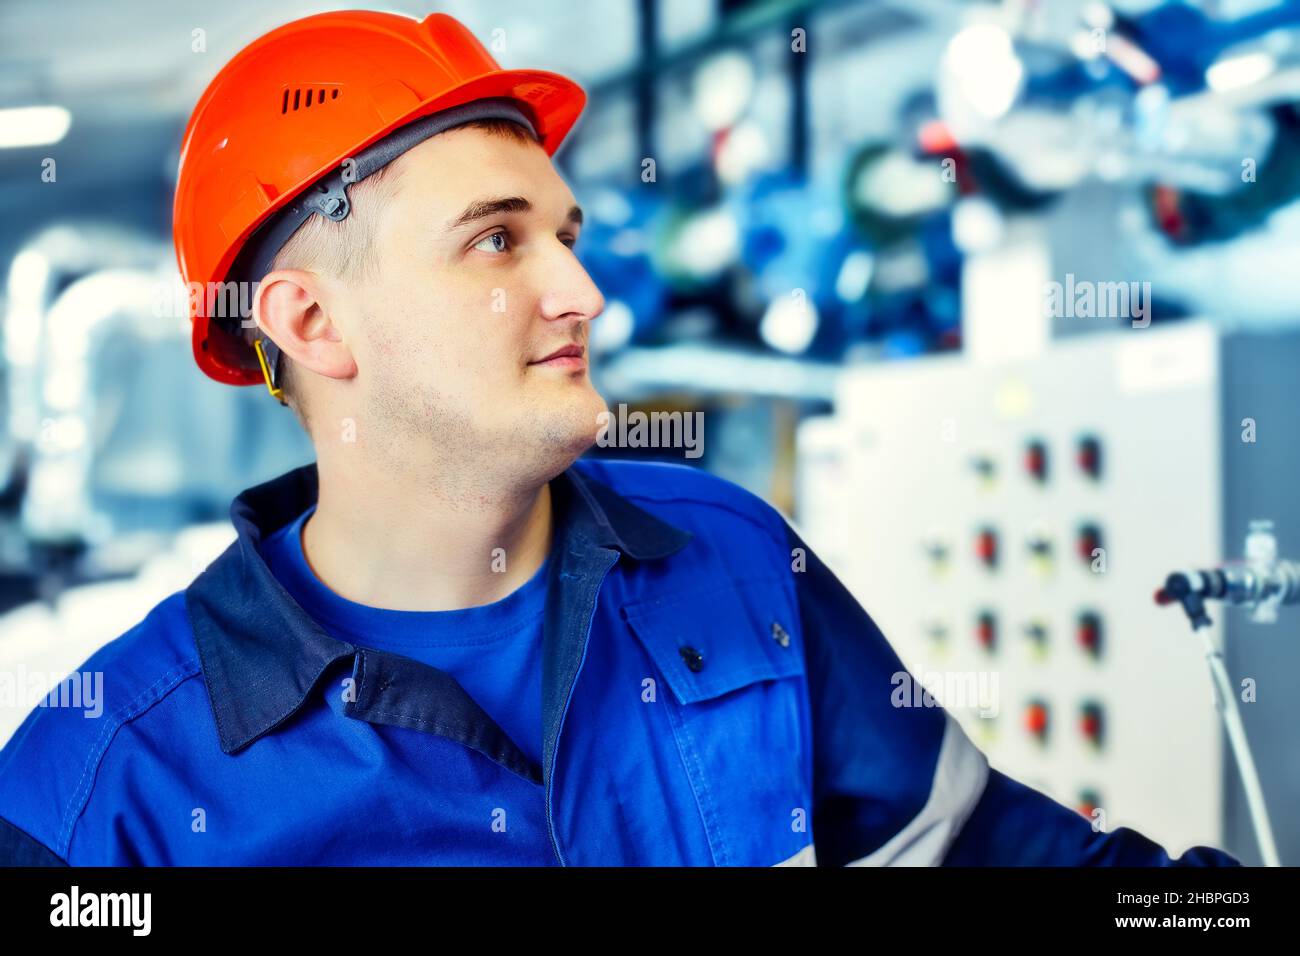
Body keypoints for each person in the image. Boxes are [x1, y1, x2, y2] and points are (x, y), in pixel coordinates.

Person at [0, 9, 1239, 866]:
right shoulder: (102, 789)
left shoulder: (729, 560)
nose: (583, 292)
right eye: (497, 240)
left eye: (567, 234)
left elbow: (982, 853)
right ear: (313, 320)